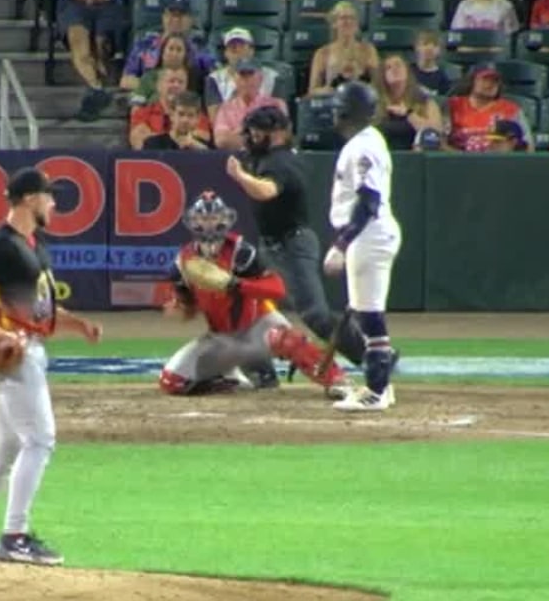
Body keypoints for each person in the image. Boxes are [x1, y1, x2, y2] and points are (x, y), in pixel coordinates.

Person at [0, 168, 103, 567]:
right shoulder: (1, 246)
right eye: (50, 197)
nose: (54, 204)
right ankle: (14, 536)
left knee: (7, 451)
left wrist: (78, 324)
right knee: (40, 440)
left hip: (28, 347)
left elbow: (41, 309)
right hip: (16, 356)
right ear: (31, 199)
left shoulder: (33, 245)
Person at [225, 105, 367, 398]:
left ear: (277, 133)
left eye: (259, 131)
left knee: (314, 313)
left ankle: (372, 355)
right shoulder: (264, 157)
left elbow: (266, 191)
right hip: (271, 245)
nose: (252, 136)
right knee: (243, 302)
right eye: (251, 130)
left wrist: (240, 177)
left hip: (293, 244)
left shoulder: (281, 162)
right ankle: (259, 368)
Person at [158, 191, 349, 396]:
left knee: (284, 339)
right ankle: (232, 376)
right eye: (203, 218)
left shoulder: (240, 252)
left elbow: (277, 289)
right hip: (222, 338)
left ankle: (335, 379)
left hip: (258, 325)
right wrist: (180, 306)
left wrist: (235, 284)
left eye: (213, 217)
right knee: (172, 382)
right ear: (193, 221)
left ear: (224, 219)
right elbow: (183, 305)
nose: (208, 224)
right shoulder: (184, 261)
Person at [321, 81, 401, 412]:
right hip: (368, 235)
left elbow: (368, 201)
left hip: (368, 235)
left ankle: (377, 389)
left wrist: (341, 244)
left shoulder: (363, 147)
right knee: (364, 315)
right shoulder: (364, 142)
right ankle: (381, 380)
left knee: (369, 316)